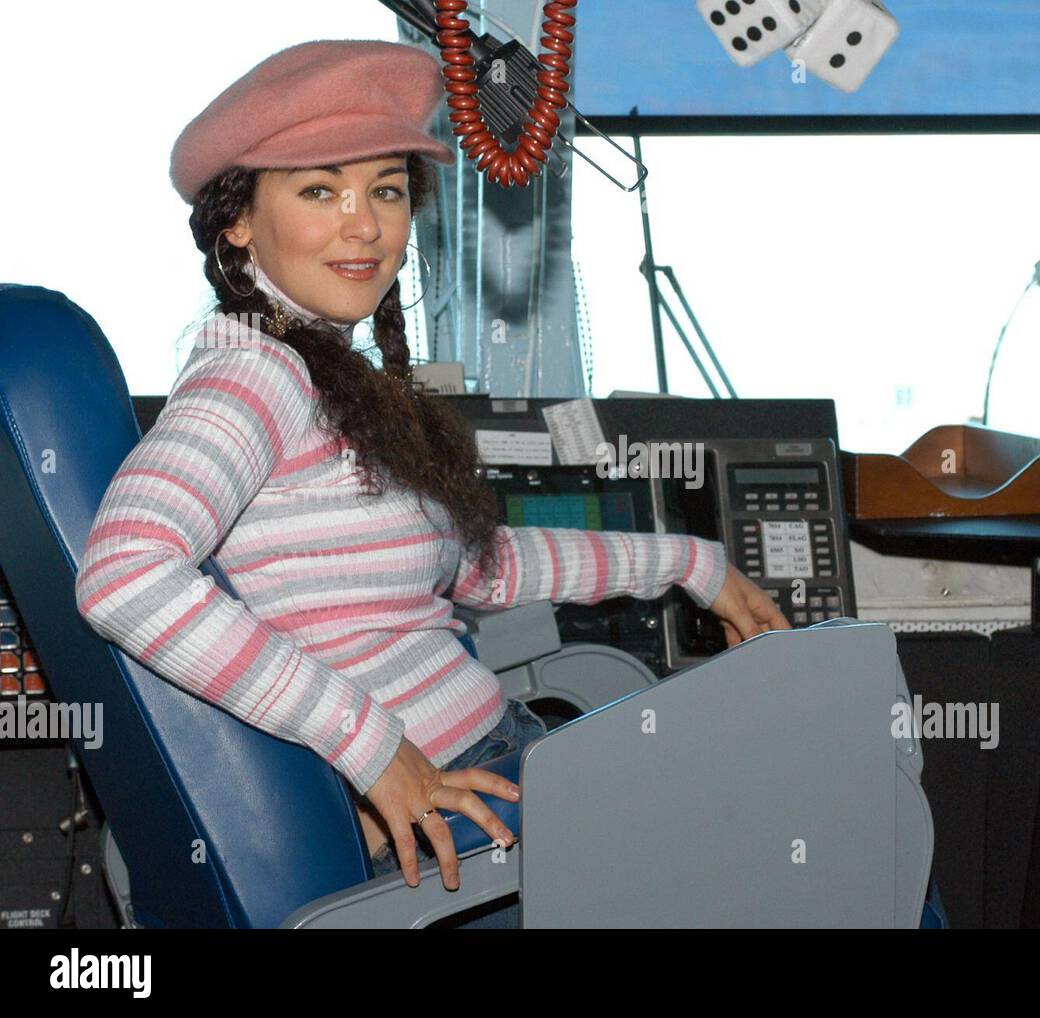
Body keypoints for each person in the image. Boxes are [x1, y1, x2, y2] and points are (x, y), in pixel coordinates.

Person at [73, 39, 791, 924]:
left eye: (384, 189)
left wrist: (690, 563)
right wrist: (373, 752)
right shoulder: (252, 377)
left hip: (497, 758)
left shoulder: (326, 375)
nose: (365, 225)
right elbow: (125, 573)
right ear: (238, 224)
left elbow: (481, 570)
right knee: (815, 817)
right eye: (318, 190)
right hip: (467, 801)